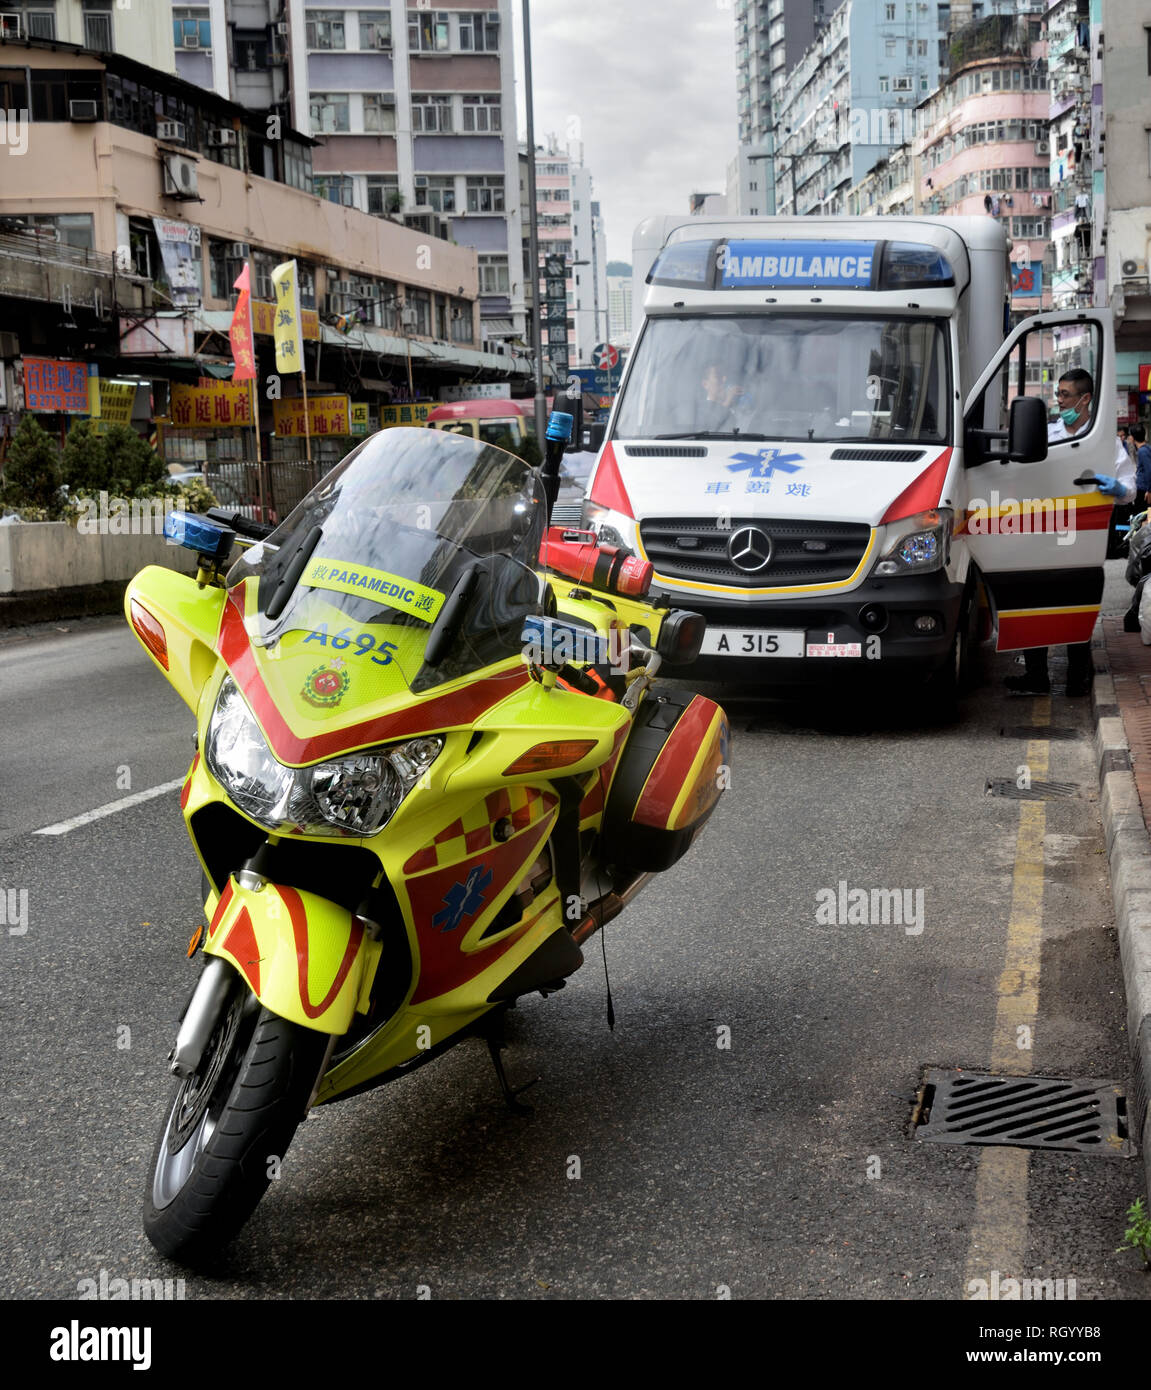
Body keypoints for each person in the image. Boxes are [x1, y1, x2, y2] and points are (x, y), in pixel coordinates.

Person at [1006, 368, 1135, 697]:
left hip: (1082, 537)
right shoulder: (1048, 435)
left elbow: (1130, 490)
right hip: (1041, 534)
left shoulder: (1105, 443)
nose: (1058, 400)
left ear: (1085, 398)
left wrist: (1117, 487)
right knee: (1035, 605)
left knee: (1077, 606)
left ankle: (1078, 677)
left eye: (1064, 394)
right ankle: (1036, 675)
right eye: (1058, 394)